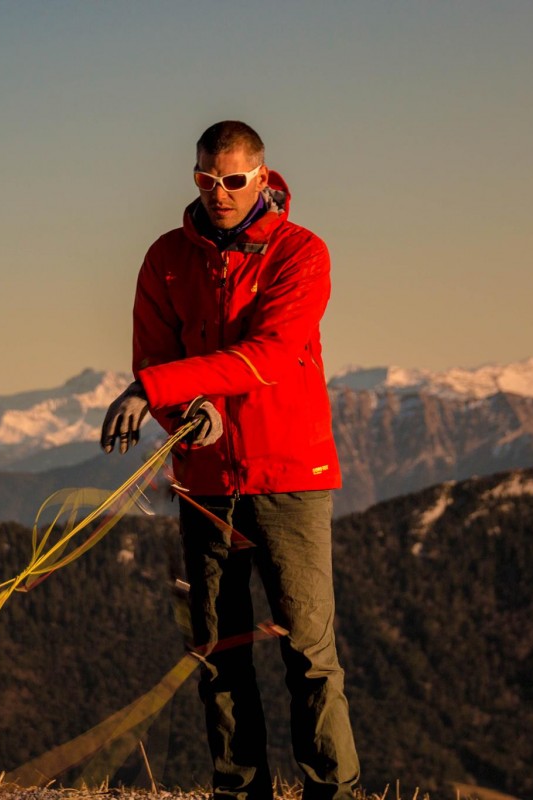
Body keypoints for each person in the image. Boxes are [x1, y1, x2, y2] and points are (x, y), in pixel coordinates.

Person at [100, 121, 359, 800]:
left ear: (263, 179)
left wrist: (162, 390)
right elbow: (153, 356)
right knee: (219, 653)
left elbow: (273, 352)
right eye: (206, 180)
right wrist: (184, 415)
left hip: (289, 476)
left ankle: (333, 790)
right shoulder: (164, 259)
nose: (220, 193)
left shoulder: (302, 253)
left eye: (235, 180)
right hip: (205, 481)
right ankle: (237, 790)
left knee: (308, 652)